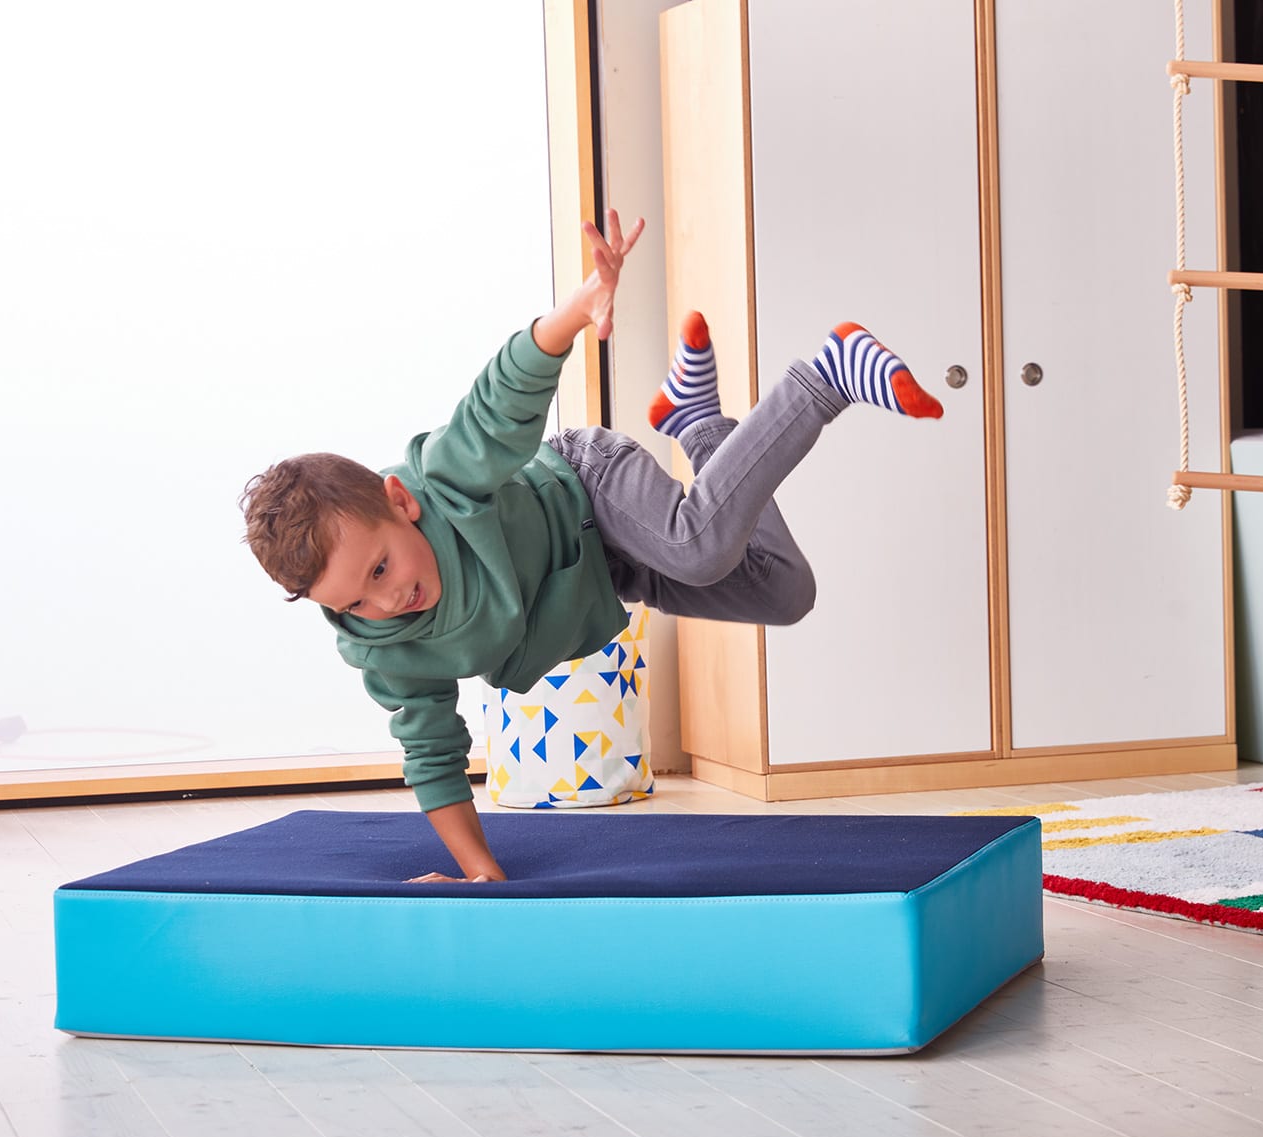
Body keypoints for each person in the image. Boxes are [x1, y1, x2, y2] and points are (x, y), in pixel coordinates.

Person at [239, 211, 941, 882]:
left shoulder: (445, 481)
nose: (386, 599)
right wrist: (480, 870)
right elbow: (431, 749)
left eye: (382, 567)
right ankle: (695, 421)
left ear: (401, 503)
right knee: (786, 593)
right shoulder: (384, 648)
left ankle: (822, 376)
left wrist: (579, 308)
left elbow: (500, 400)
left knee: (697, 546)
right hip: (612, 572)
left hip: (587, 483)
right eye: (358, 601)